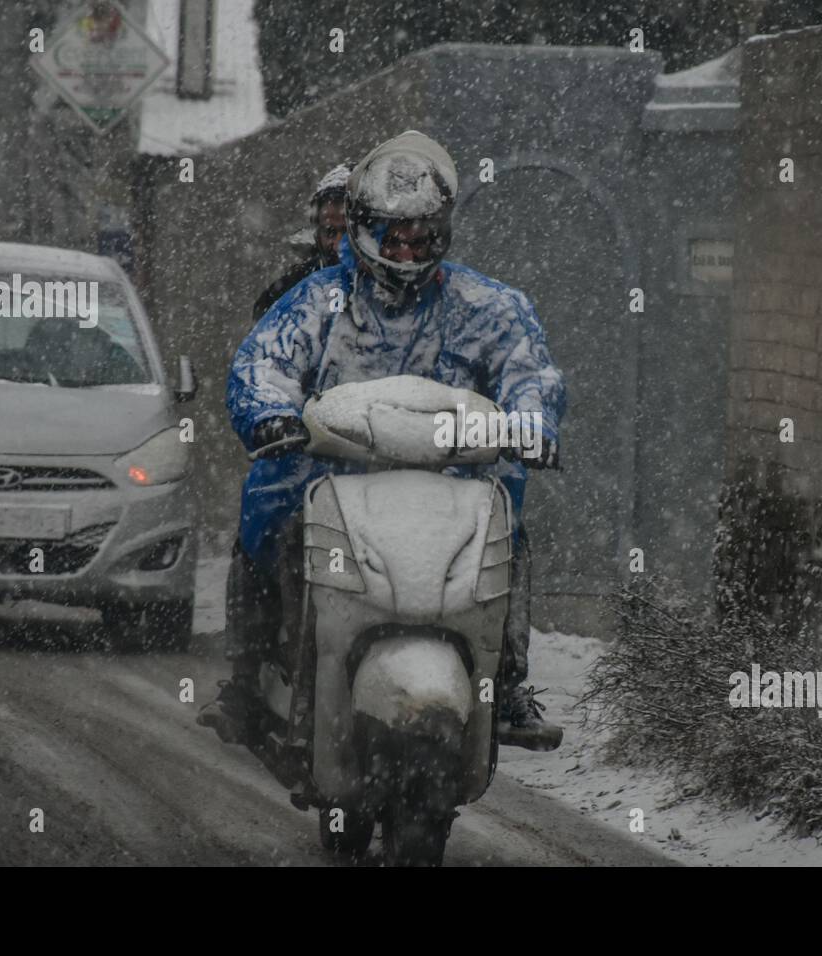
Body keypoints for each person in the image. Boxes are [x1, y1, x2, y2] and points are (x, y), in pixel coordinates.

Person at [200, 130, 566, 752]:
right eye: (394, 235)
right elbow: (265, 361)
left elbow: (528, 370)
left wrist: (531, 421)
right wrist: (270, 414)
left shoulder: (488, 305)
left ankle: (503, 681)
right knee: (272, 509)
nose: (407, 248)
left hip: (454, 484)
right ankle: (255, 672)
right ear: (364, 229)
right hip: (330, 478)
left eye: (420, 235)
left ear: (441, 230)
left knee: (509, 532)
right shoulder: (318, 301)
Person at [249, 162, 352, 324]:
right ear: (318, 233)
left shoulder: (392, 285)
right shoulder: (292, 289)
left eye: (349, 232)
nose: (339, 244)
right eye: (330, 232)